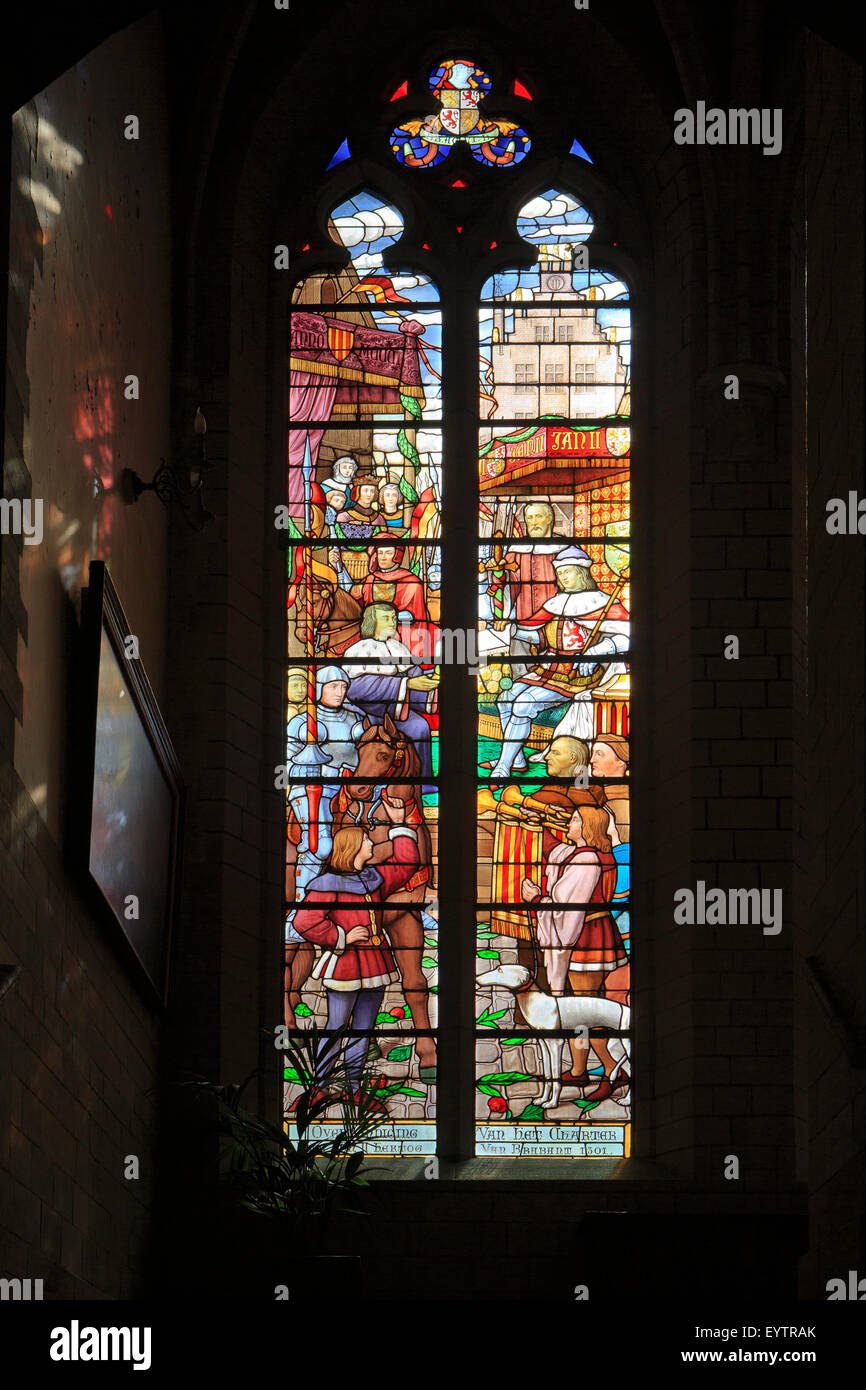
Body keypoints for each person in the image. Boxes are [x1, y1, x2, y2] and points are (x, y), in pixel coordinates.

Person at [291, 811, 421, 1105]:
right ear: (352, 848)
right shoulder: (326, 886)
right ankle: (318, 1088)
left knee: (363, 1031)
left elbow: (406, 864)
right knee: (336, 1029)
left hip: (375, 963)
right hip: (346, 966)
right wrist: (340, 936)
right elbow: (303, 922)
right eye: (365, 840)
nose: (371, 844)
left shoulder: (372, 879)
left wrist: (400, 823)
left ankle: (352, 1088)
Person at [489, 546, 629, 775]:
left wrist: (599, 651)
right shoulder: (556, 602)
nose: (563, 577)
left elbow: (628, 637)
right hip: (549, 668)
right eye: (560, 573)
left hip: (578, 674)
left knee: (523, 703)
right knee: (505, 699)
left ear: (582, 573)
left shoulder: (602, 603)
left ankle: (503, 767)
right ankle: (516, 760)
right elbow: (541, 634)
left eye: (568, 572)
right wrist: (511, 628)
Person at [522, 803, 627, 1088]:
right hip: (595, 935)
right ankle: (579, 1071)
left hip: (587, 939)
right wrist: (533, 820)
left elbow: (566, 906)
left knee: (586, 1010)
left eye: (575, 820)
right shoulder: (588, 854)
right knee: (579, 1008)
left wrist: (535, 900)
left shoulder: (586, 861)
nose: (569, 822)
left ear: (588, 827)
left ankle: (613, 1072)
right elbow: (553, 848)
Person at [342, 602, 437, 779]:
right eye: (386, 618)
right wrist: (406, 685)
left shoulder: (398, 648)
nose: (392, 622)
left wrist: (431, 679)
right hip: (368, 712)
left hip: (397, 710)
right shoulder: (358, 651)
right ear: (372, 622)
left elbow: (414, 674)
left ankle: (421, 781)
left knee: (420, 727)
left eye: (393, 618)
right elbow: (357, 689)